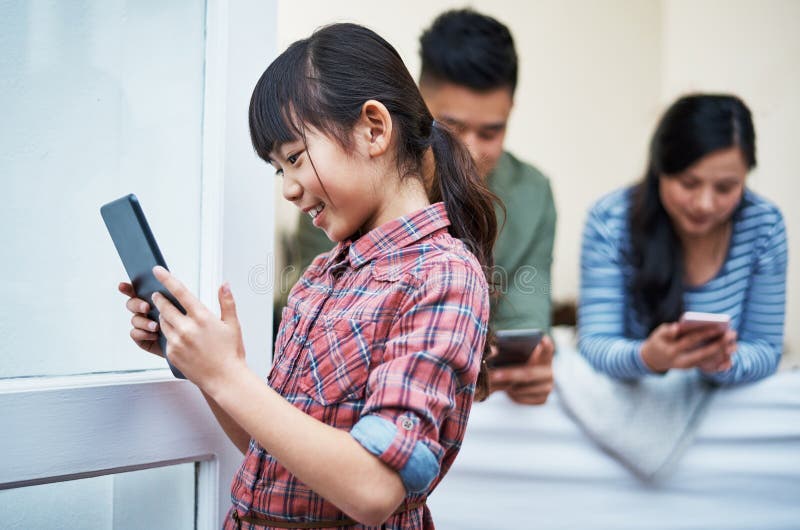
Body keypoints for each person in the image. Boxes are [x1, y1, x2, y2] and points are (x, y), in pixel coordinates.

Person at [119, 23, 498, 529]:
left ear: (374, 129)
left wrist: (226, 375)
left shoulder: (444, 275)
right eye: (278, 170)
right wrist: (208, 369)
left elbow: (372, 487)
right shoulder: (321, 275)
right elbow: (277, 454)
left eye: (294, 158)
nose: (289, 190)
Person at [288, 8, 557, 406]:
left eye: (491, 131)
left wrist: (531, 367)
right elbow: (318, 330)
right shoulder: (348, 184)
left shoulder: (533, 195)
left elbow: (525, 326)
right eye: (452, 125)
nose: (471, 148)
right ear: (415, 99)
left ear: (510, 111)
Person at [578, 94, 787, 384]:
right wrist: (647, 358)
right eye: (689, 184)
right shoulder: (610, 220)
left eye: (725, 188)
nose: (704, 204)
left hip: (727, 402)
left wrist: (723, 362)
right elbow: (595, 344)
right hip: (636, 397)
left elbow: (766, 349)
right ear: (660, 169)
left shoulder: (764, 224)